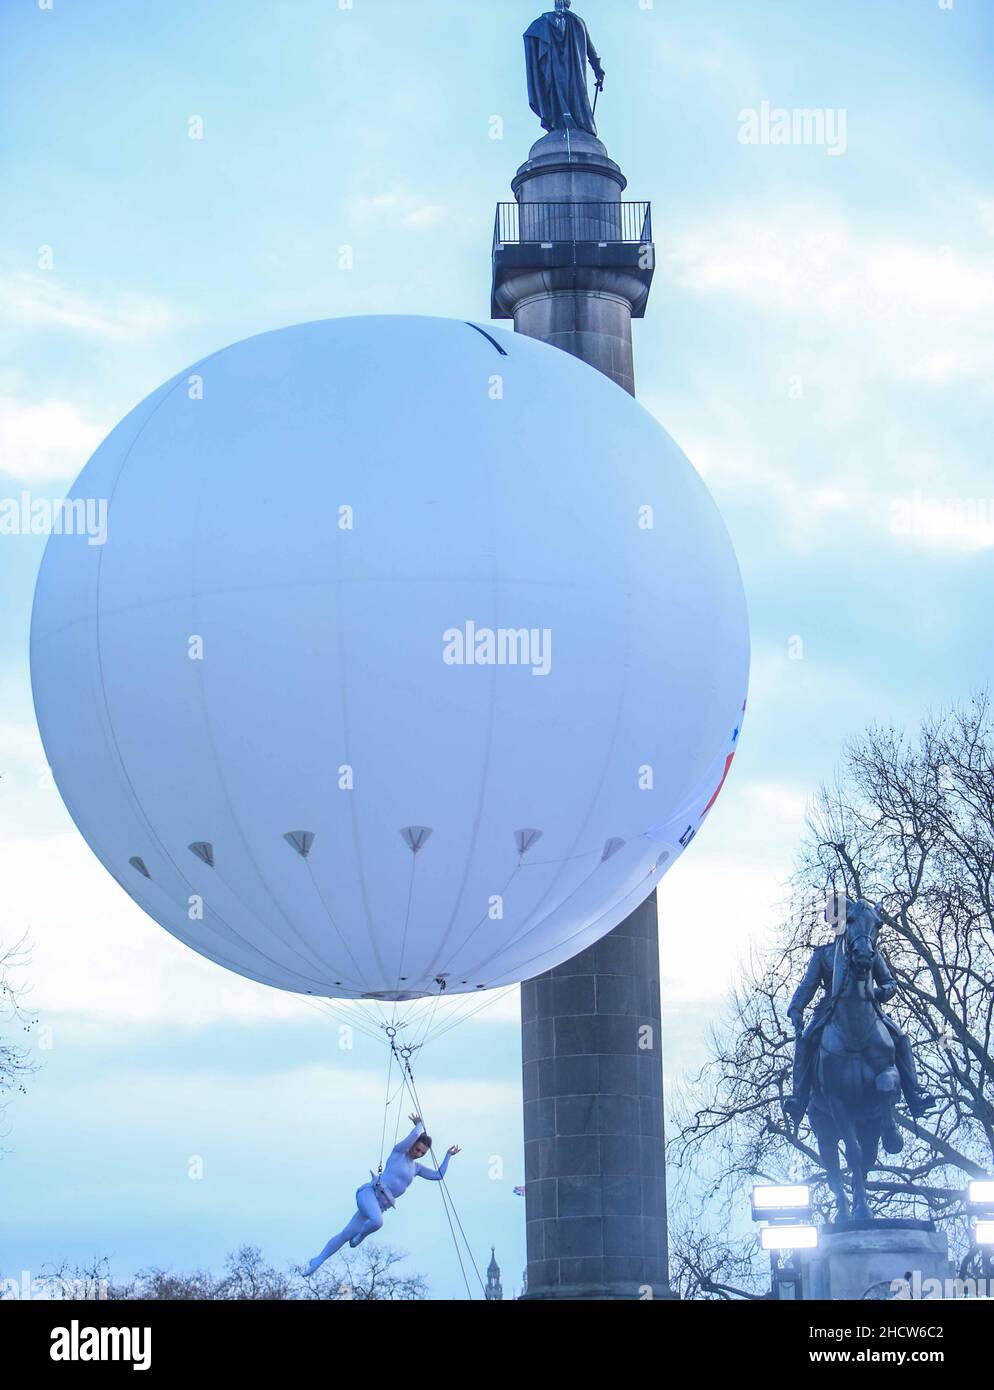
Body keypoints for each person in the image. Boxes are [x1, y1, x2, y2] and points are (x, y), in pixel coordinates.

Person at [303, 1115, 460, 1276]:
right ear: (412, 1145)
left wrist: (448, 1155)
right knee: (377, 1222)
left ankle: (317, 1260)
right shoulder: (399, 1152)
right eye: (417, 1149)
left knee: (345, 1234)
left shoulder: (416, 1168)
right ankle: (359, 1237)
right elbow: (414, 1135)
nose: (418, 1154)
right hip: (369, 1193)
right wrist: (419, 1124)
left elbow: (438, 1175)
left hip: (379, 1205)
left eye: (422, 1153)